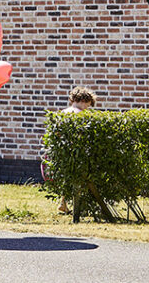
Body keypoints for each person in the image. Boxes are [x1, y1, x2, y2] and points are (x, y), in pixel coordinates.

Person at [57, 86, 96, 214]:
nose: (87, 108)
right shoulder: (79, 114)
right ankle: (79, 207)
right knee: (80, 179)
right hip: (77, 151)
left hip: (64, 150)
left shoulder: (63, 112)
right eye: (88, 105)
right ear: (83, 101)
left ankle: (63, 202)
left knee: (67, 177)